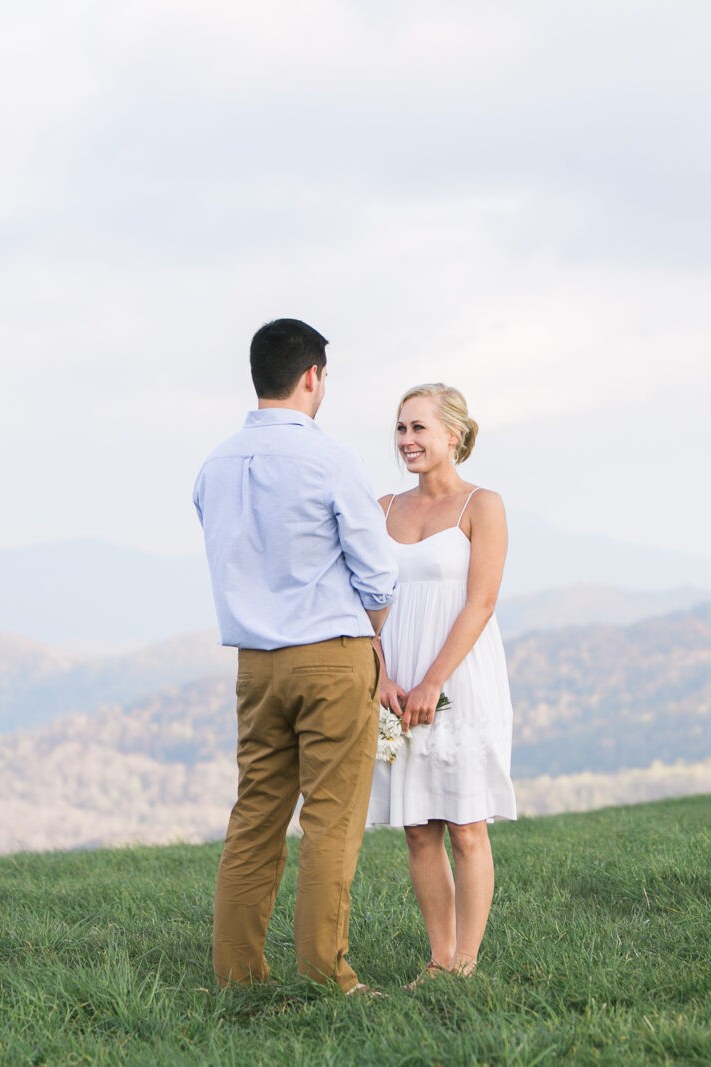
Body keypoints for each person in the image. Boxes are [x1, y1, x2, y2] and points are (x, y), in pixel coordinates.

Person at [193, 318, 398, 995]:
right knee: (330, 821)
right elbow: (378, 573)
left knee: (255, 816)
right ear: (312, 376)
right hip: (330, 652)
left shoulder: (214, 465)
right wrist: (368, 631)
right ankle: (324, 975)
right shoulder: (329, 458)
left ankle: (239, 976)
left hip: (255, 663)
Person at [366, 383, 517, 986]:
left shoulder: (483, 504)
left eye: (418, 428)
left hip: (460, 673)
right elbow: (361, 600)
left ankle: (467, 964)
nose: (406, 440)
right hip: (393, 678)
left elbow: (480, 602)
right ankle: (438, 959)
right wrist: (380, 674)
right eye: (401, 428)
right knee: (417, 827)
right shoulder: (381, 508)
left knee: (465, 823)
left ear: (453, 434)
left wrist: (432, 681)